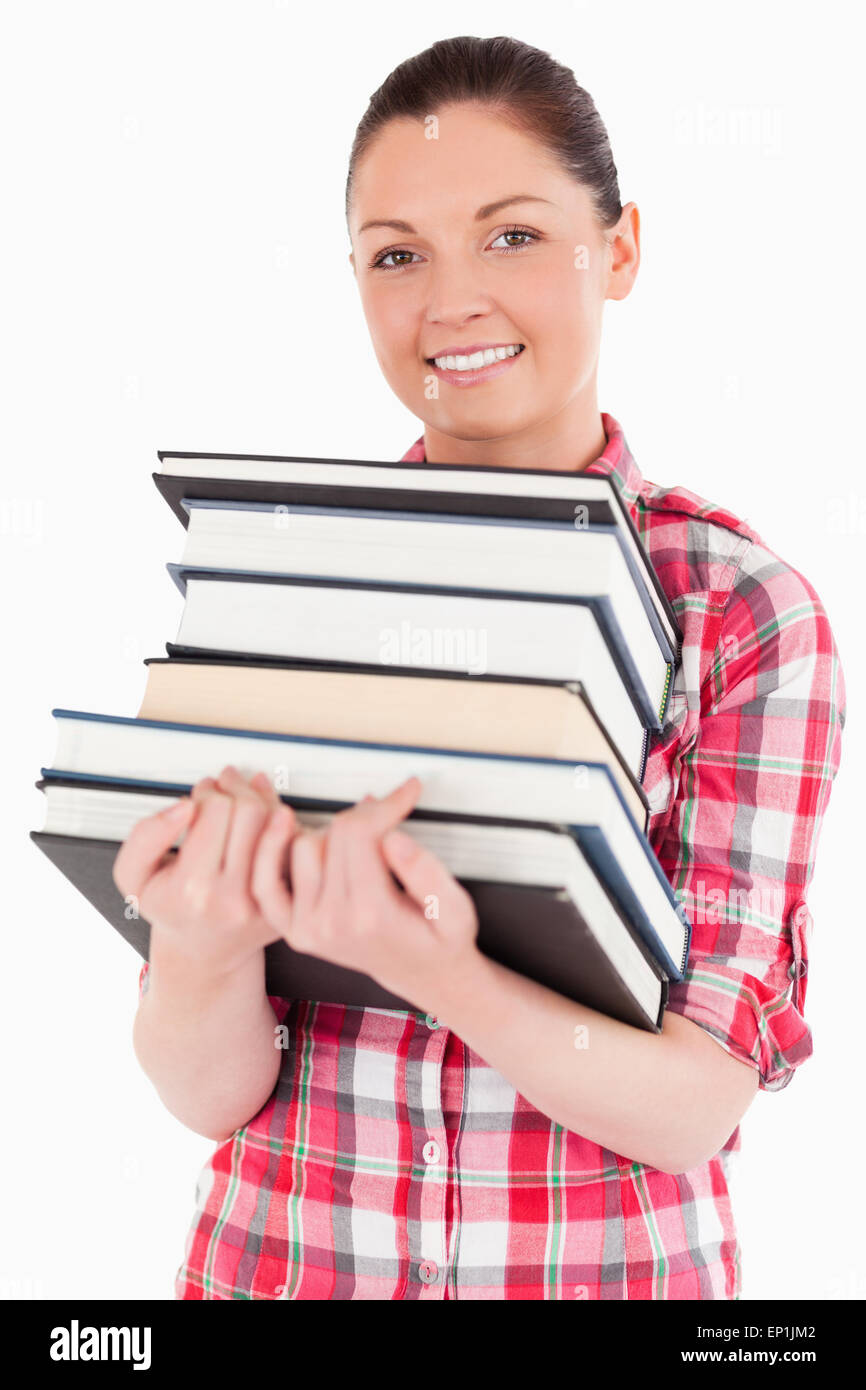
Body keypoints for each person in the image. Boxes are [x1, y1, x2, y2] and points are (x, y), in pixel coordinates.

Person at [113, 35, 846, 1300]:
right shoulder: (287, 575)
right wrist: (198, 945)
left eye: (509, 235)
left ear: (615, 249)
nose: (448, 300)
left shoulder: (738, 613)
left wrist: (440, 970)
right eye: (397, 254)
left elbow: (689, 1104)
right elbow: (208, 1091)